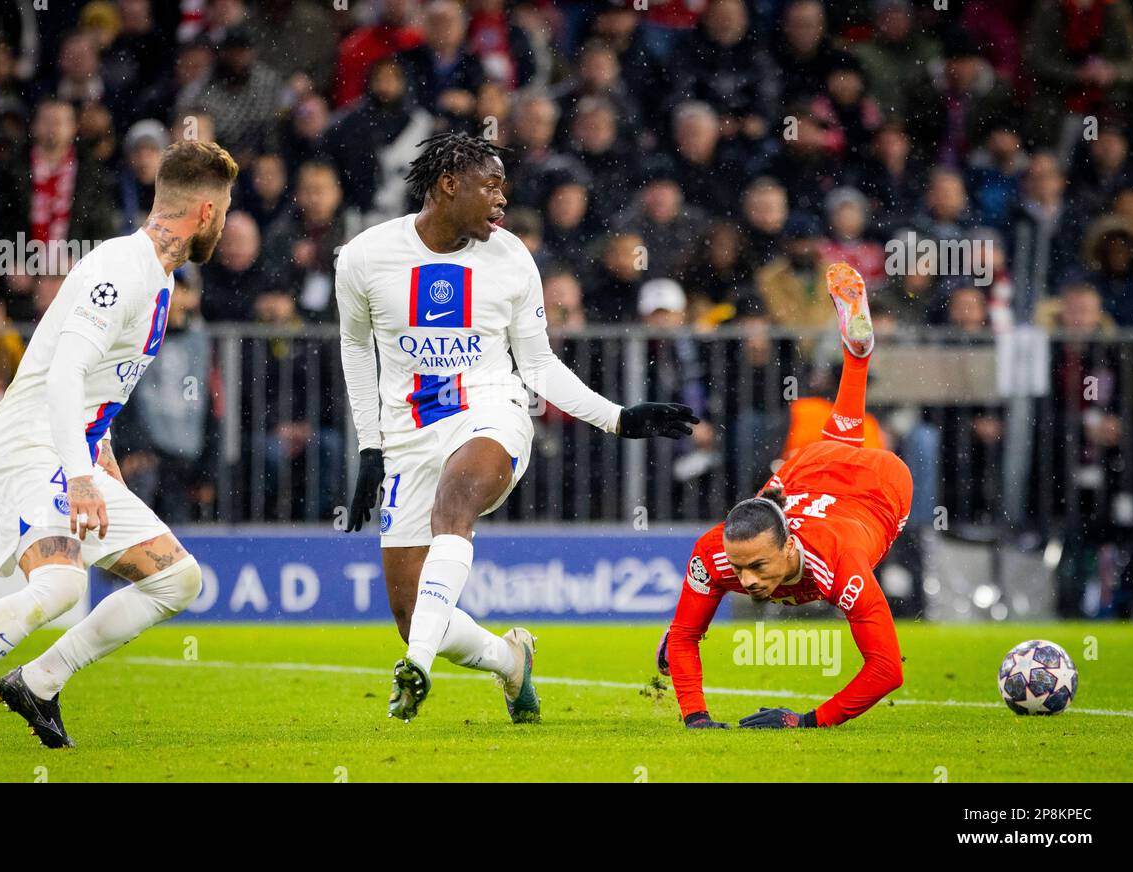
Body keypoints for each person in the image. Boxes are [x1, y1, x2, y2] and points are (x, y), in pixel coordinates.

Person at [0, 140, 239, 753]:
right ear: (205, 213)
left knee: (179, 580)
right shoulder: (122, 268)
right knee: (61, 587)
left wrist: (97, 455)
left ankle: (40, 681)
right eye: (226, 209)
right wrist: (80, 473)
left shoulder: (155, 275)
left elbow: (92, 385)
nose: (227, 222)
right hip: (31, 446)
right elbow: (65, 372)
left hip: (71, 449)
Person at [337, 133, 697, 724]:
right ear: (449, 184)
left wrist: (618, 417)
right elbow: (355, 349)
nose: (503, 198)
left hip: (490, 411)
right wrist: (370, 445)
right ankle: (509, 660)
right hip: (406, 436)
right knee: (411, 613)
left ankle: (416, 667)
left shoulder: (510, 258)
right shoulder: (364, 256)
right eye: (492, 184)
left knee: (455, 503)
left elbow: (535, 365)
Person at [655, 263, 910, 729]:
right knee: (824, 449)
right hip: (805, 486)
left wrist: (808, 721)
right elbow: (687, 637)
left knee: (848, 446)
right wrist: (696, 719)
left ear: (789, 546)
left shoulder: (840, 567)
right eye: (739, 567)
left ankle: (856, 360)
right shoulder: (715, 552)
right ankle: (856, 356)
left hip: (876, 488)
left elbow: (887, 671)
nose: (747, 580)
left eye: (756, 567)